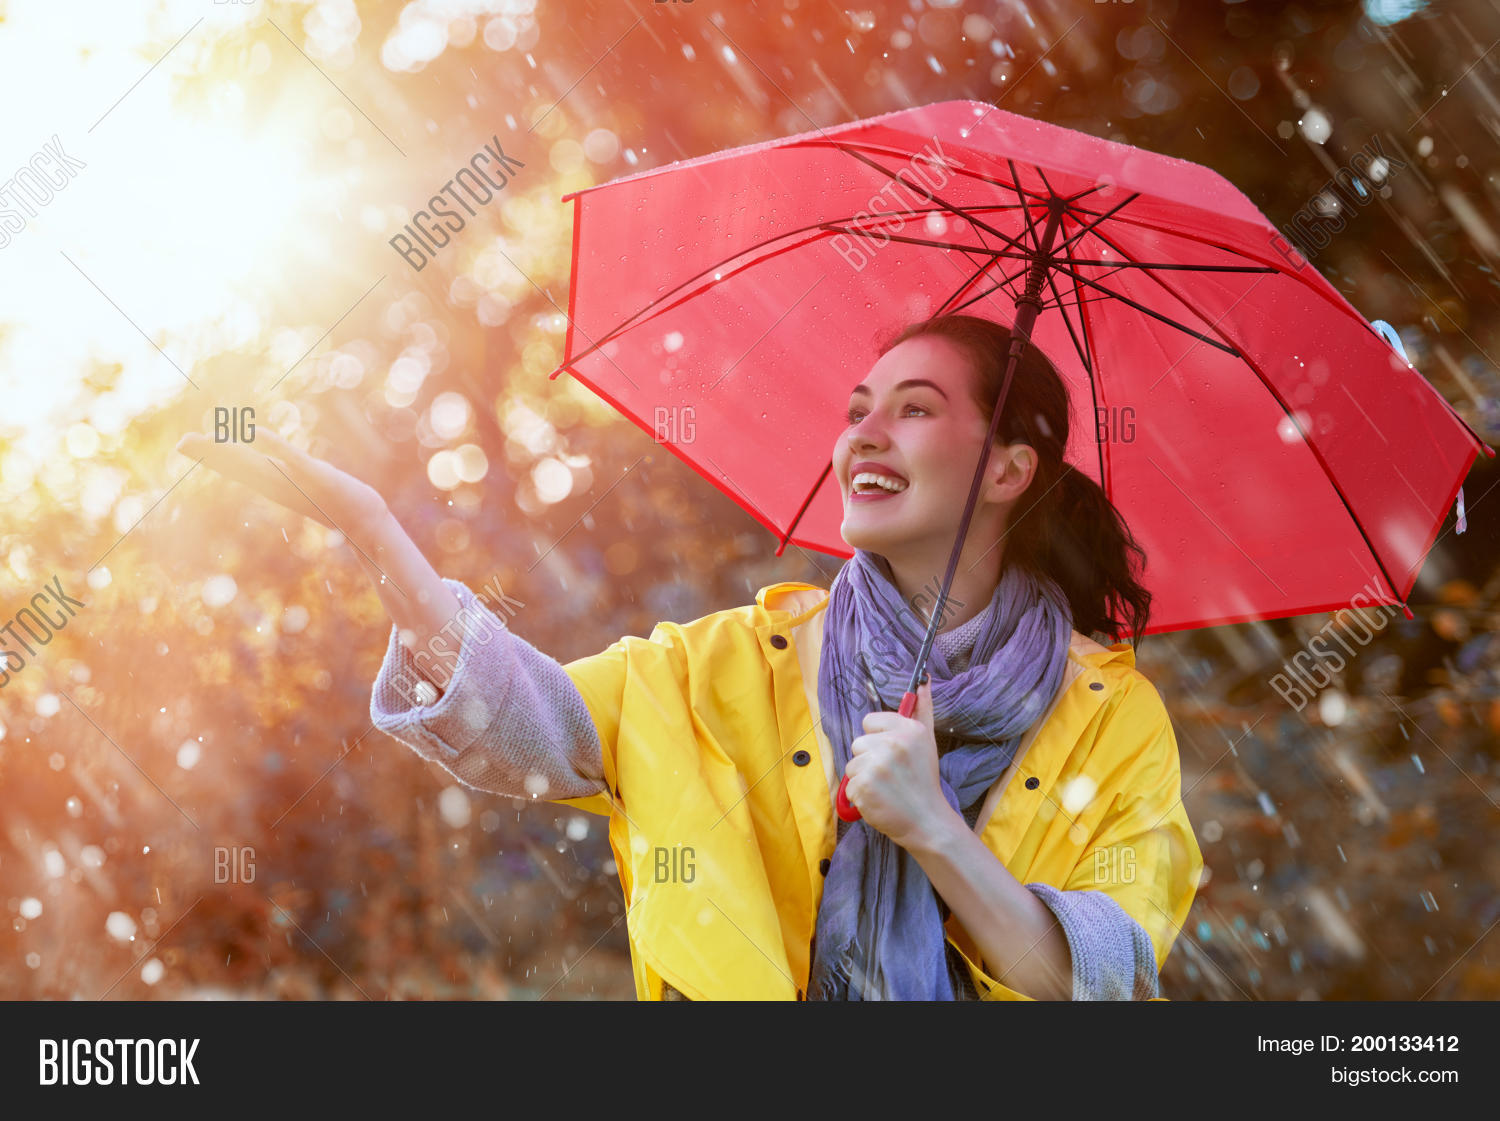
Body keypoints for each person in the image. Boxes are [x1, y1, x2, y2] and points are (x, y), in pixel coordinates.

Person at [179, 313, 1203, 1001]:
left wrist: (933, 826)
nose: (864, 434)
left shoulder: (1112, 719)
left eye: (915, 408)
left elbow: (1095, 983)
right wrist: (374, 533)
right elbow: (531, 727)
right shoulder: (733, 660)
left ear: (1010, 469)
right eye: (858, 409)